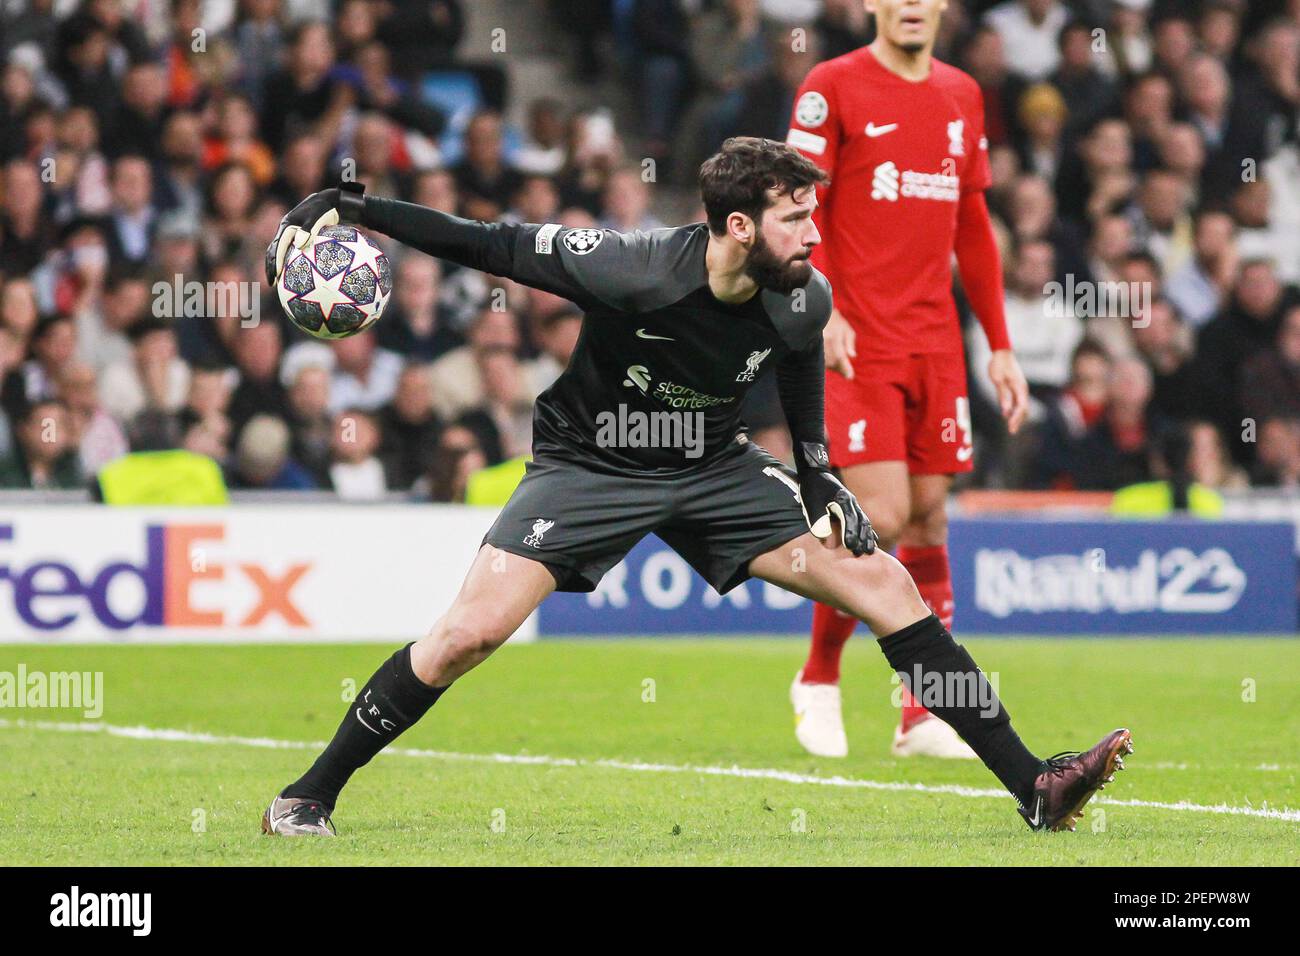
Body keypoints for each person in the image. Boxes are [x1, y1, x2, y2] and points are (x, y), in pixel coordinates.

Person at [258, 139, 1131, 837]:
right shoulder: (631, 268)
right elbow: (490, 243)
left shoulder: (804, 296)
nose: (814, 235)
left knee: (885, 583)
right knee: (464, 638)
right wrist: (357, 206)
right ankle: (307, 795)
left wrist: (819, 466)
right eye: (795, 218)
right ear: (740, 227)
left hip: (715, 466)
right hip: (590, 465)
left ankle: (1035, 784)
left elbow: (797, 367)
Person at [785, 0, 1030, 759]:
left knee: (929, 517)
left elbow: (972, 227)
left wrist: (999, 343)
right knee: (881, 515)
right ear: (871, 5)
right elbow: (797, 204)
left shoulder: (962, 94)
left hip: (936, 343)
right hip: (858, 337)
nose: (914, 4)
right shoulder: (832, 85)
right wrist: (820, 305)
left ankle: (924, 713)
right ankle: (818, 676)